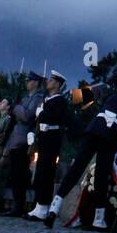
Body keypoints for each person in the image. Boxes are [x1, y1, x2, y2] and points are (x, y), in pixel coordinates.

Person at [43, 84, 117, 230]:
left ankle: (54, 208)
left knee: (76, 169)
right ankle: (98, 220)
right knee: (101, 175)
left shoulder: (115, 97)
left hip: (93, 130)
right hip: (109, 136)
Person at [25, 71, 69, 223]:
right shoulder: (47, 99)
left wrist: (42, 113)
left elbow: (53, 117)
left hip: (52, 138)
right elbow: (37, 120)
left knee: (47, 172)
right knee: (40, 172)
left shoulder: (59, 101)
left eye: (51, 80)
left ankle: (43, 206)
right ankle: (39, 205)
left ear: (57, 84)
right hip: (43, 138)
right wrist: (32, 133)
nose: (48, 82)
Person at [6, 72, 45, 217]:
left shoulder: (37, 98)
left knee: (21, 175)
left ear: (35, 83)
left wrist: (16, 107)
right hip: (17, 140)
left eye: (30, 81)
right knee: (15, 175)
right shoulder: (26, 98)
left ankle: (19, 206)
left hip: (25, 141)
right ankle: (17, 205)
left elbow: (28, 116)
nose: (27, 83)